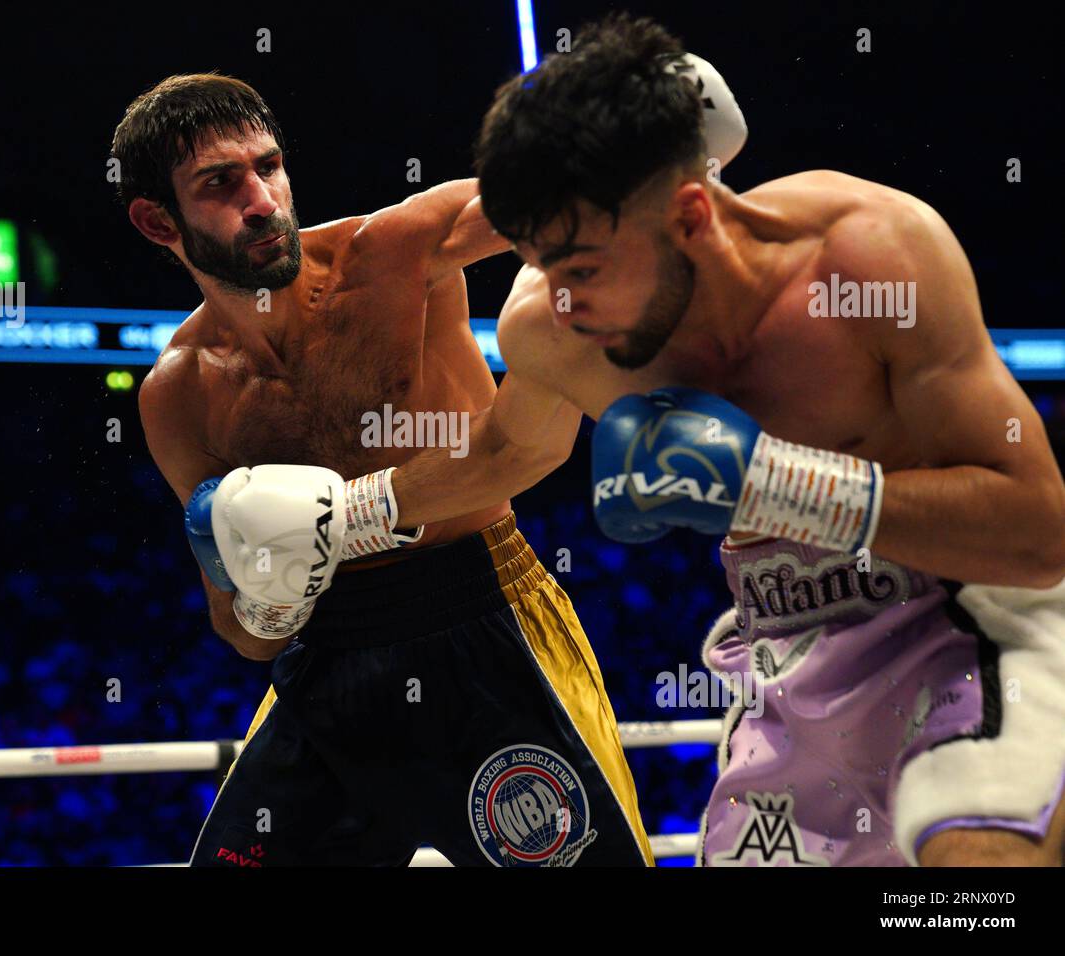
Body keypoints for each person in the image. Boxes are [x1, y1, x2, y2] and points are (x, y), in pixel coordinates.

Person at [393, 13, 1065, 865]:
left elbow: (1039, 533)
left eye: (584, 268)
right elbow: (503, 455)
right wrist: (352, 516)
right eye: (539, 263)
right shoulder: (554, 328)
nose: (561, 300)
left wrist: (776, 485)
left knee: (977, 866)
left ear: (691, 216)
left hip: (965, 625)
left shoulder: (866, 259)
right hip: (792, 661)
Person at [113, 72, 657, 865]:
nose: (262, 199)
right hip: (327, 663)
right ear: (157, 219)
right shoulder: (179, 394)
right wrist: (265, 604)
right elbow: (240, 630)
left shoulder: (395, 252)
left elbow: (555, 196)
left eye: (269, 166)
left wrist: (637, 133)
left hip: (483, 625)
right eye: (221, 184)